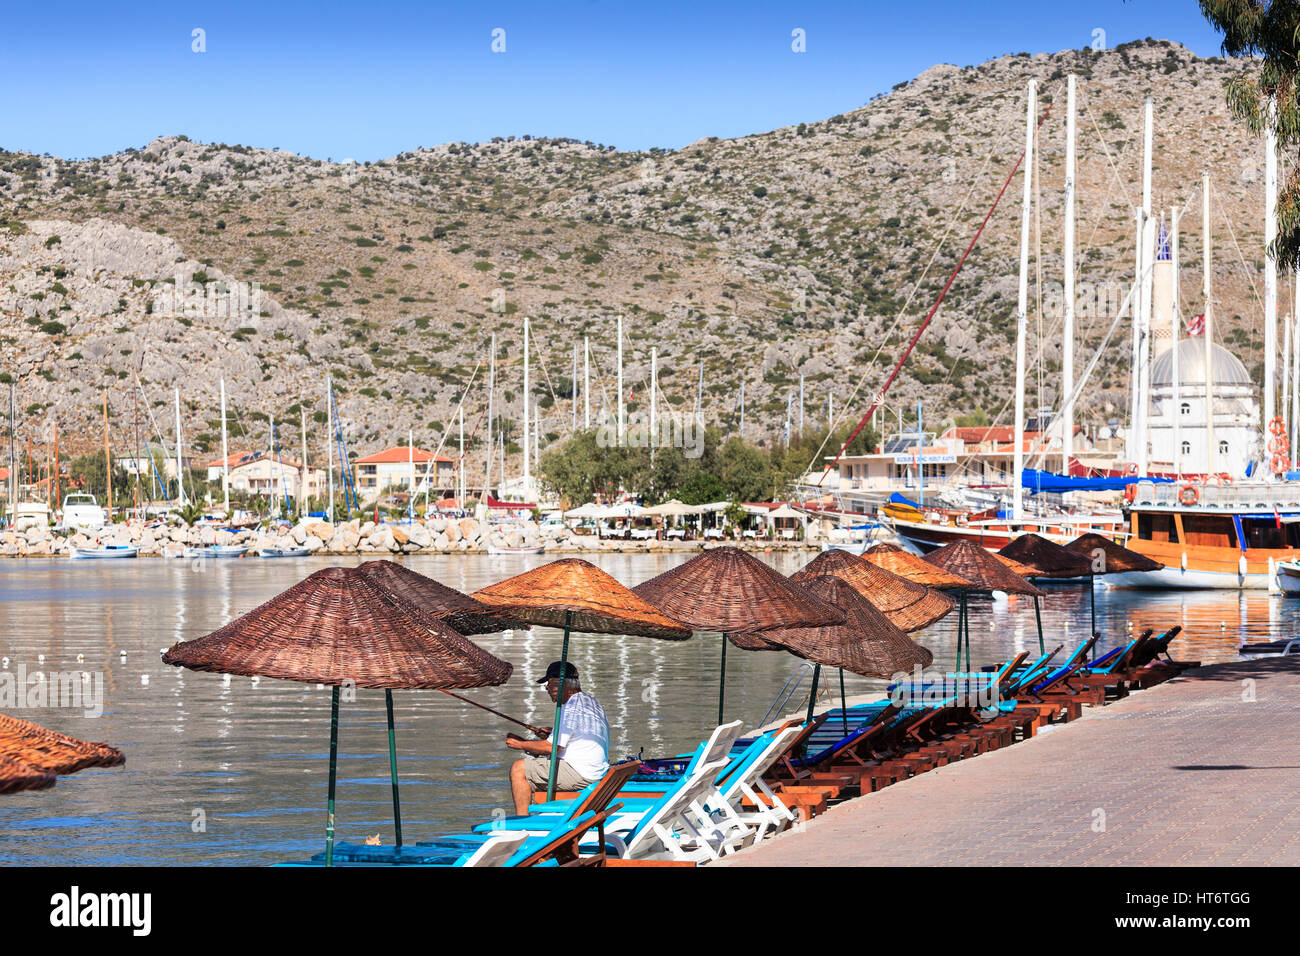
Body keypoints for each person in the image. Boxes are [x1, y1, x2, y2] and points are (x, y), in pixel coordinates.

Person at [506, 661, 609, 815]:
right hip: (596, 770)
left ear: (561, 684)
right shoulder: (590, 701)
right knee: (533, 767)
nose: (547, 688)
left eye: (549, 683)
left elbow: (550, 748)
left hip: (582, 773)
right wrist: (551, 733)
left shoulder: (570, 708)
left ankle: (523, 824)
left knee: (519, 769)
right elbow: (577, 736)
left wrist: (520, 744)